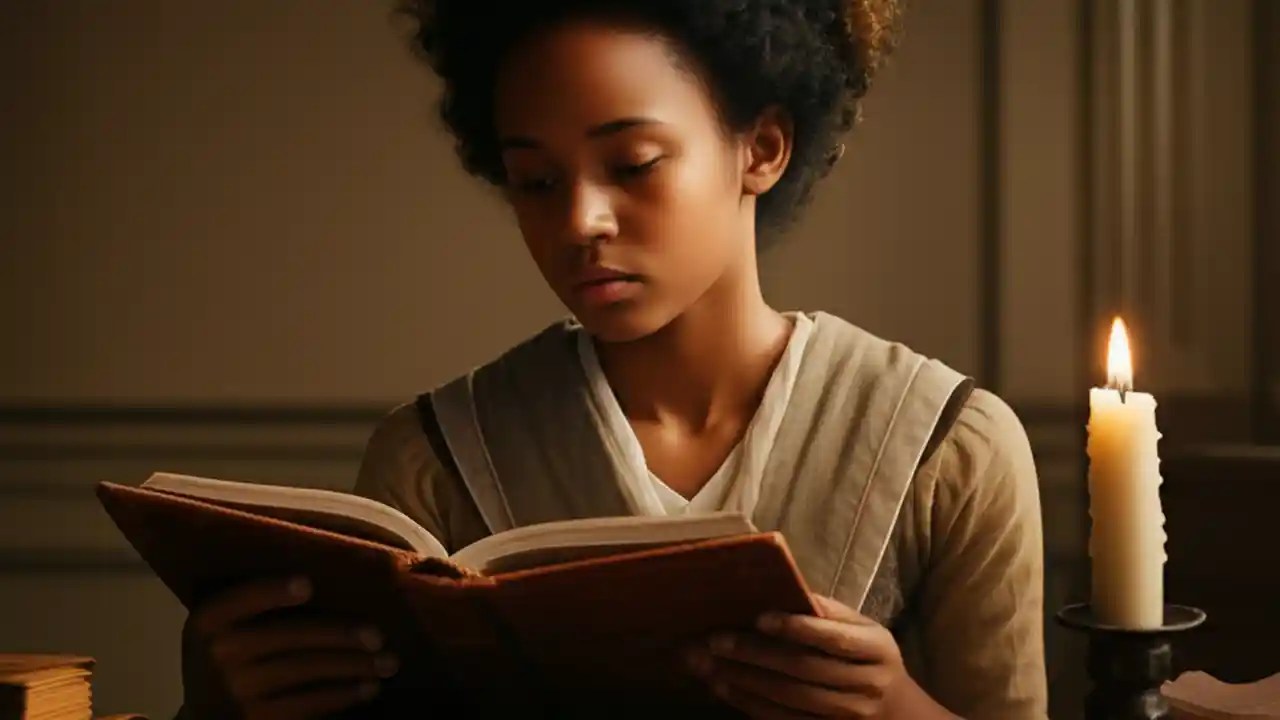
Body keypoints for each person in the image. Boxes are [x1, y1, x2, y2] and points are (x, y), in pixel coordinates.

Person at [177, 1, 1048, 718]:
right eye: (537, 181)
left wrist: (896, 705)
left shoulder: (951, 447)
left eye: (632, 165)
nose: (580, 221)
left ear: (763, 148)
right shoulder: (433, 459)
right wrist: (223, 701)